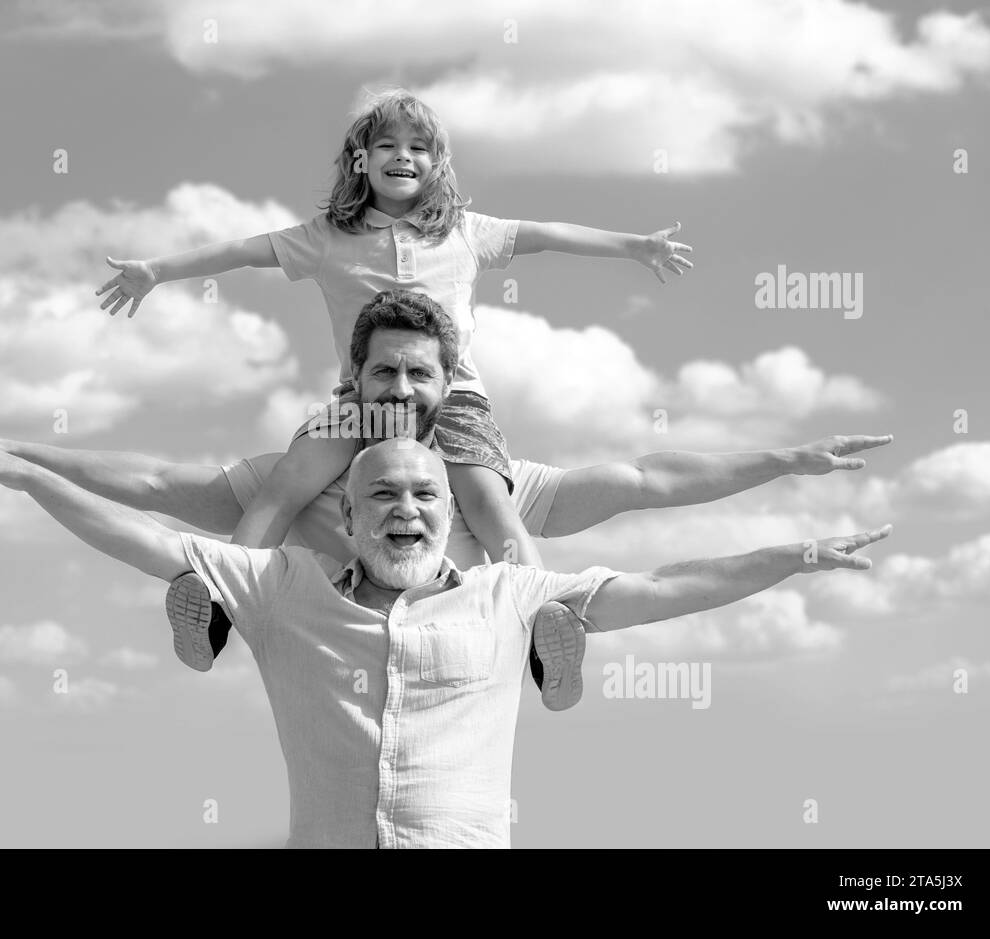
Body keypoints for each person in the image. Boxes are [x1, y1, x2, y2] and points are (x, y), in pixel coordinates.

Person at [0, 427, 889, 848]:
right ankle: (200, 630)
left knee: (572, 609)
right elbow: (145, 532)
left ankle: (561, 667)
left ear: (450, 511)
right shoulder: (284, 585)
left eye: (426, 494)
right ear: (346, 511)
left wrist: (795, 553)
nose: (407, 509)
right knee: (195, 571)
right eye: (382, 493)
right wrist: (28, 474)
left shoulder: (510, 592)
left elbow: (667, 581)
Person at [0, 296, 892, 710]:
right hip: (329, 656)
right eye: (381, 375)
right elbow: (166, 486)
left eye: (417, 376)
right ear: (356, 377)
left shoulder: (474, 459)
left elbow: (647, 482)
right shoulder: (320, 451)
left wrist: (791, 459)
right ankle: (210, 621)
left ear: (444, 379)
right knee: (243, 532)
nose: (397, 393)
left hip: (459, 663)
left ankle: (546, 642)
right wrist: (22, 452)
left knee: (518, 556)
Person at [94, 88, 694, 700]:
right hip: (364, 400)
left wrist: (634, 246)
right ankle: (219, 599)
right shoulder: (327, 237)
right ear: (360, 160)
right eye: (386, 145)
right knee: (290, 481)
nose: (402, 156)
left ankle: (544, 627)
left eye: (418, 147)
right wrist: (159, 270)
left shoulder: (464, 232)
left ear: (438, 164)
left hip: (452, 399)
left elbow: (546, 235)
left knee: (488, 499)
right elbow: (243, 253)